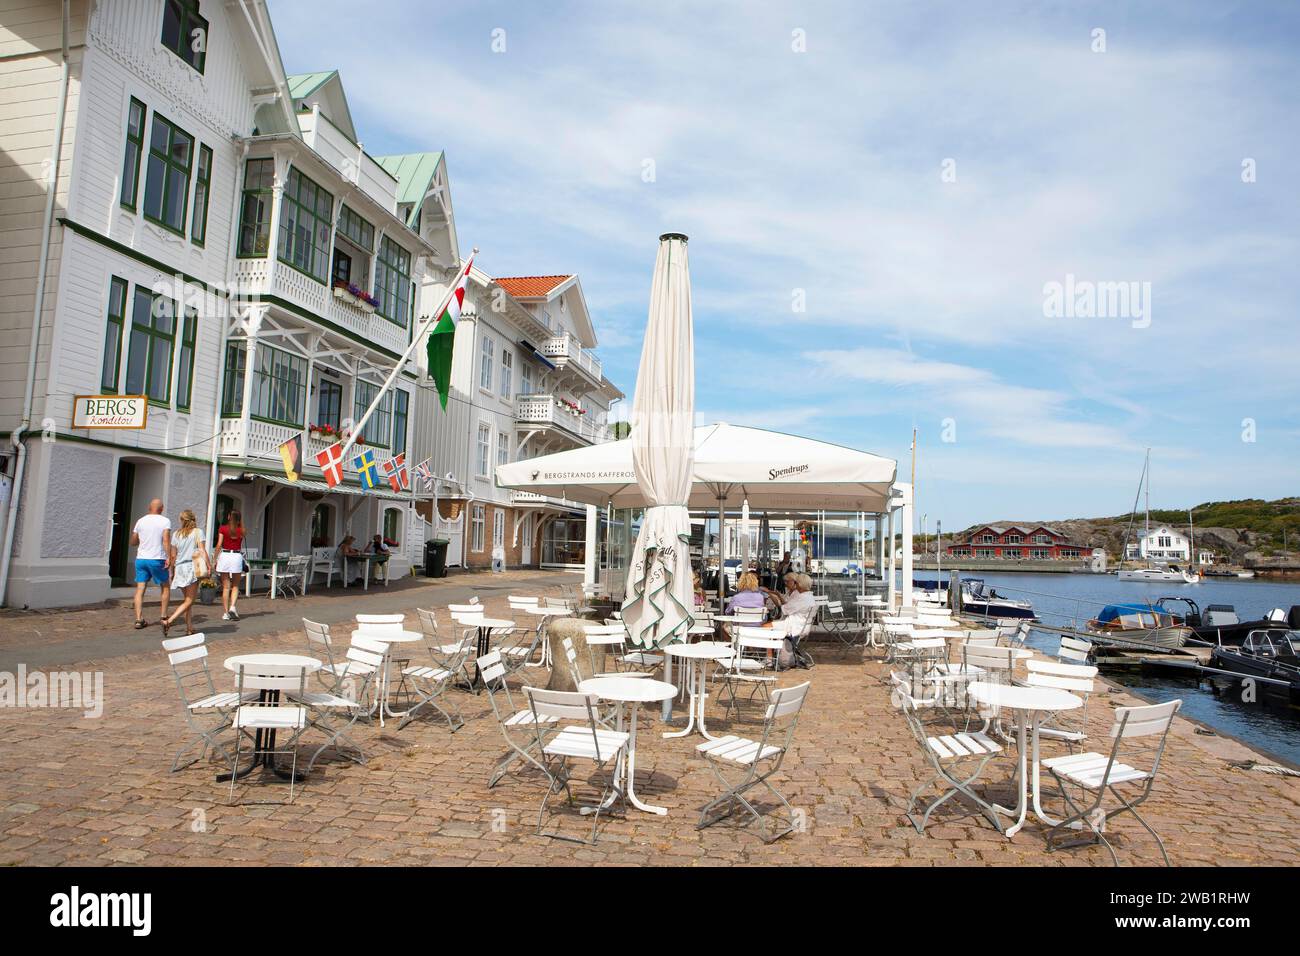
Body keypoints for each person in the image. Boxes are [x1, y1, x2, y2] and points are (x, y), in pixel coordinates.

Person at [162, 509, 209, 637]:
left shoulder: (176, 534)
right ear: (193, 519)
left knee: (187, 600)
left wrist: (172, 571)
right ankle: (169, 621)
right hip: (192, 566)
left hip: (180, 568)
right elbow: (203, 550)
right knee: (189, 600)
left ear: (182, 520)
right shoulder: (198, 532)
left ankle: (189, 628)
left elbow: (173, 555)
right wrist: (209, 565)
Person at [130, 499, 171, 630]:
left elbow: (133, 541)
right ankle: (163, 616)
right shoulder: (165, 521)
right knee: (165, 586)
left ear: (149, 507)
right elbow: (165, 540)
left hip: (141, 559)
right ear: (162, 508)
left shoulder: (140, 521)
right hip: (157, 558)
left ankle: (138, 619)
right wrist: (169, 556)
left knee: (140, 588)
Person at [214, 510, 246, 622]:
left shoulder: (223, 528)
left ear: (228, 517)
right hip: (236, 556)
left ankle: (226, 612)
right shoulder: (241, 530)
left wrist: (214, 559)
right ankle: (233, 607)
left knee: (226, 587)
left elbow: (219, 545)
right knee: (236, 585)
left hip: (225, 556)